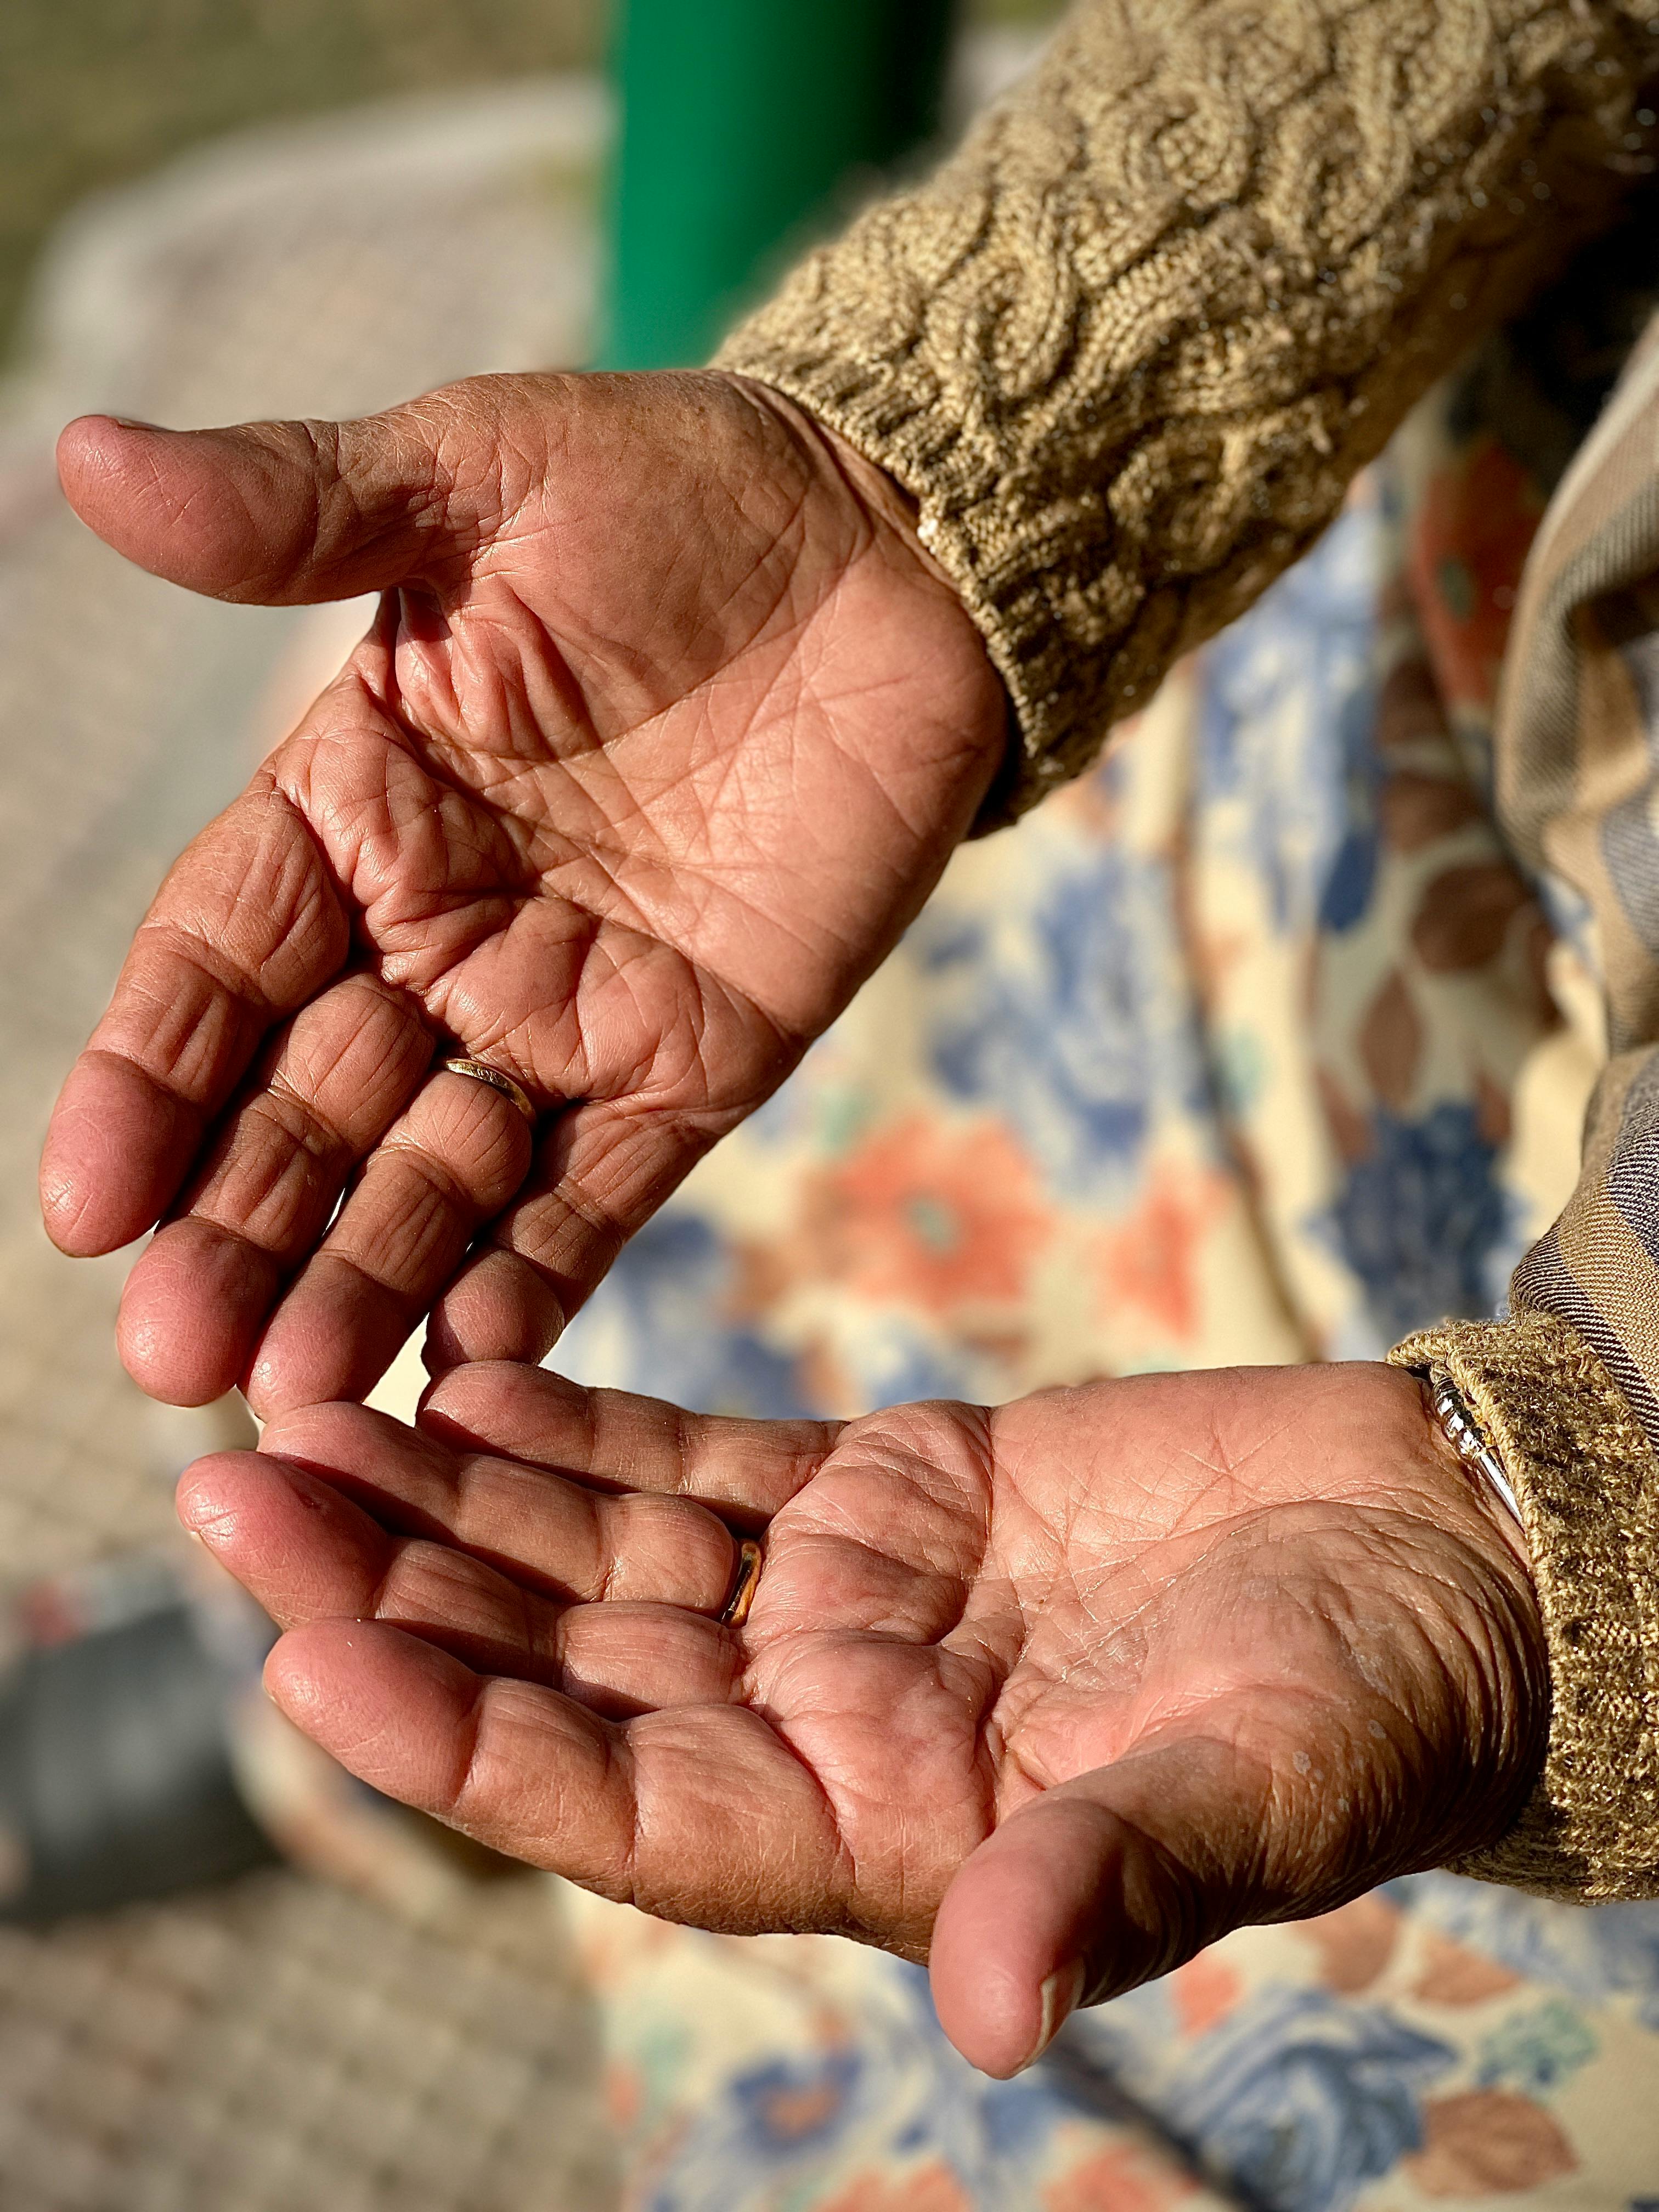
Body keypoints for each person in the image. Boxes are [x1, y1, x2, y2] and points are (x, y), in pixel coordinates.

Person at [36, 0, 1659, 2196]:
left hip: (1574, 1395)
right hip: (1423, 695)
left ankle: (378, 1693)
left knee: (1026, 1853)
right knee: (624, 1169)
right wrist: (935, 464)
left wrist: (1583, 1517)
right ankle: (331, 1683)